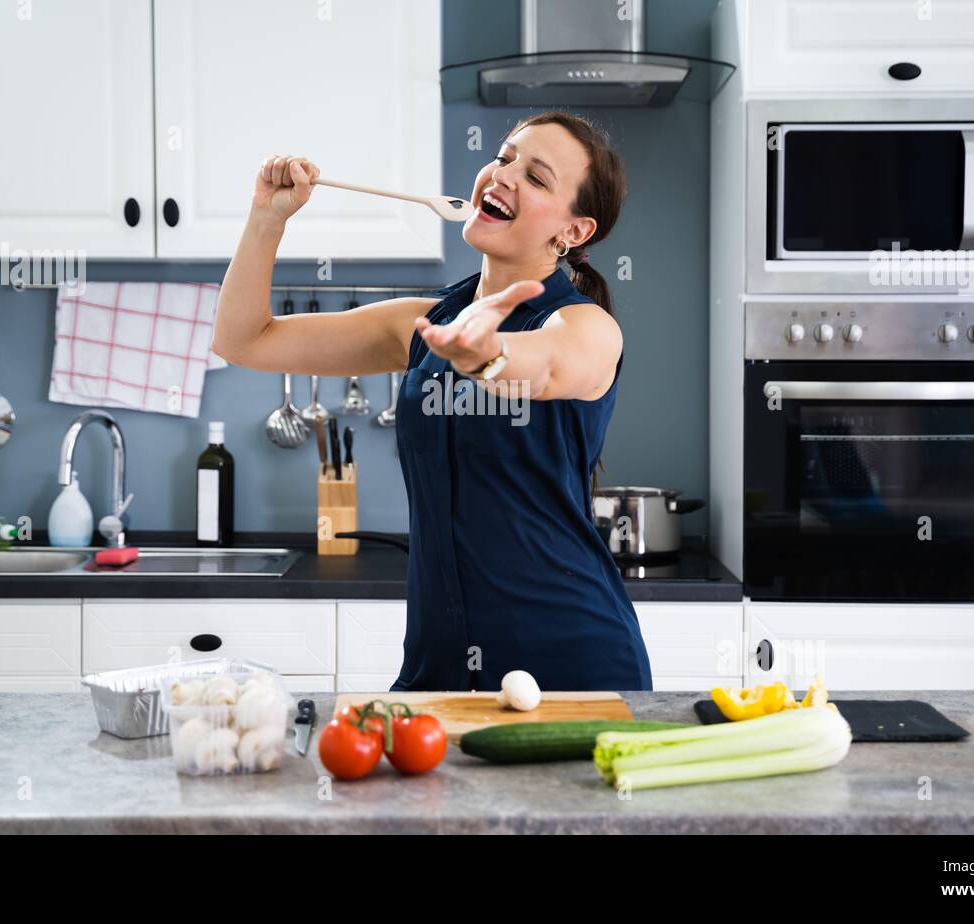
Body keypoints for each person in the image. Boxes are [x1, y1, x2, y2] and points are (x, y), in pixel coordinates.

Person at [212, 110, 652, 691]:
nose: (503, 175)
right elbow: (244, 339)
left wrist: (484, 353)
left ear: (573, 233)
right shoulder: (423, 323)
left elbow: (548, 364)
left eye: (537, 177)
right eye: (504, 157)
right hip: (438, 664)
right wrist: (267, 220)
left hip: (569, 662)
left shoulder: (586, 326)